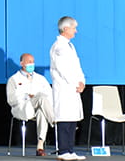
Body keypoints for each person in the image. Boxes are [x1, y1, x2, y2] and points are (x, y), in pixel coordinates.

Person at [49, 16, 86, 161]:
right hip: (65, 88)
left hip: (73, 88)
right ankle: (63, 150)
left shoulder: (70, 46)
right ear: (65, 29)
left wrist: (82, 81)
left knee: (72, 120)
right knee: (64, 120)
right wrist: (74, 83)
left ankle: (70, 150)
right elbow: (63, 69)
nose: (75, 31)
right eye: (73, 28)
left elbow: (77, 66)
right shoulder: (59, 46)